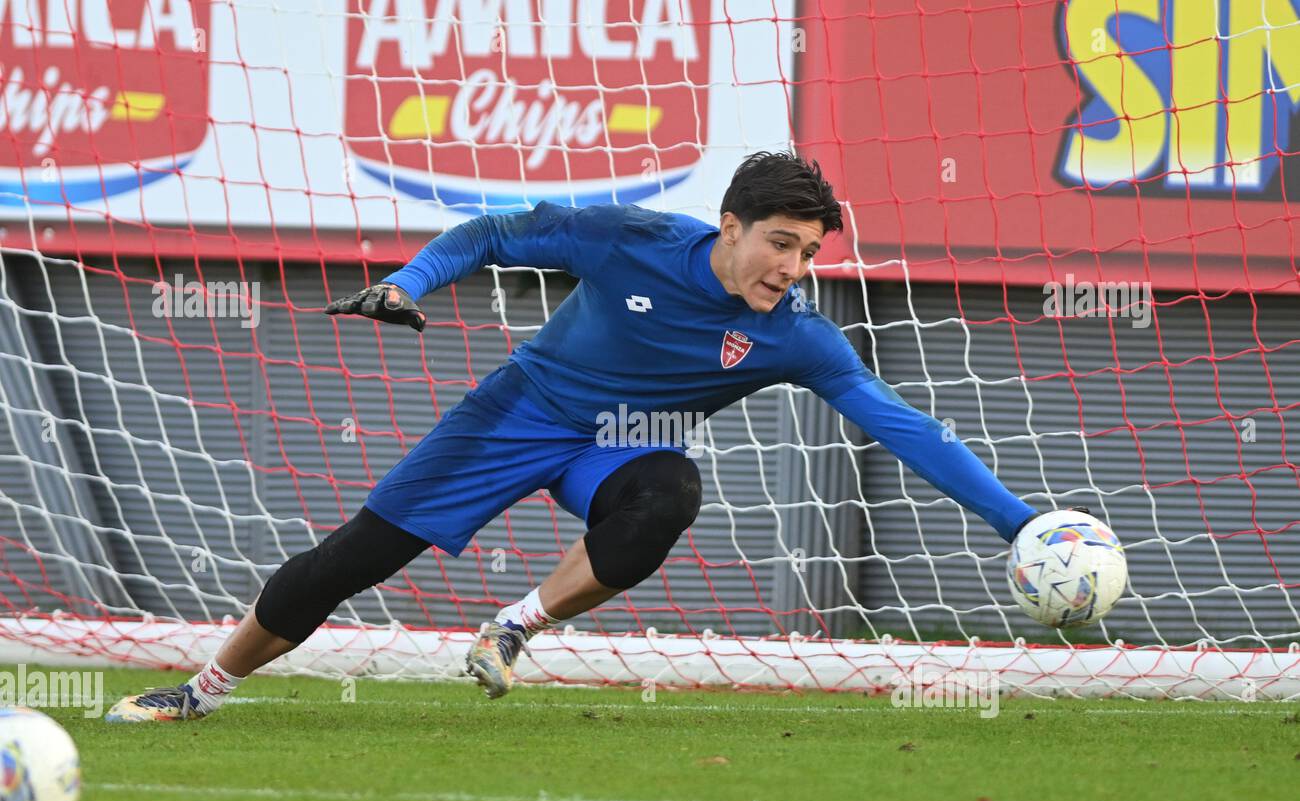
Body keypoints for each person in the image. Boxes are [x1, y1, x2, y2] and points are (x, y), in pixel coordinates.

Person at [105, 151, 1035, 721]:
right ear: (730, 227)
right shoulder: (627, 237)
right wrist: (410, 283)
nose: (793, 269)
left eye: (811, 254)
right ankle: (203, 689)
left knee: (669, 496)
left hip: (625, 446)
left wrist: (1021, 526)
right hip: (520, 414)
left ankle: (514, 627)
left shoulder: (797, 338)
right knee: (345, 564)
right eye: (781, 244)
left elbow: (908, 429)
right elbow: (497, 232)